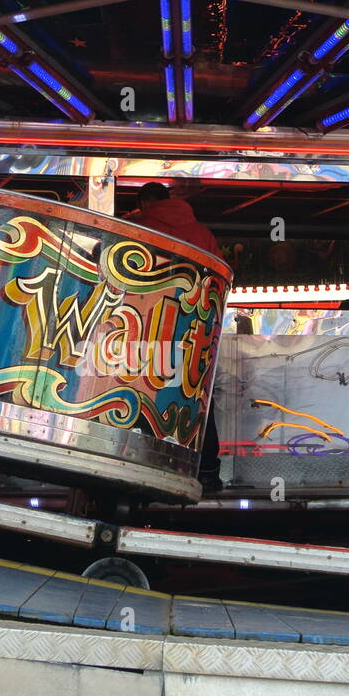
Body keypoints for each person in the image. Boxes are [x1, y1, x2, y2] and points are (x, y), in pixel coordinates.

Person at [131, 182, 223, 492]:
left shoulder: (139, 226)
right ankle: (207, 470)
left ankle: (140, 465)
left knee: (141, 395)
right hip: (191, 329)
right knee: (193, 396)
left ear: (145, 202)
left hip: (147, 327)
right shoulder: (203, 234)